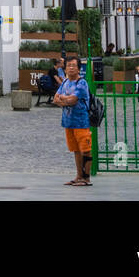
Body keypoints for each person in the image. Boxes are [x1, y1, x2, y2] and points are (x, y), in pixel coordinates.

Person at [54, 54, 92, 186]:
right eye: (68, 65)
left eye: (73, 66)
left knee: (85, 149)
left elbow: (73, 99)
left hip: (81, 122)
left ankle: (86, 178)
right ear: (65, 69)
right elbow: (55, 98)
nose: (70, 68)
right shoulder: (65, 82)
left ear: (78, 69)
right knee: (75, 150)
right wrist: (66, 99)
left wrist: (63, 99)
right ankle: (78, 176)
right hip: (68, 122)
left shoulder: (81, 83)